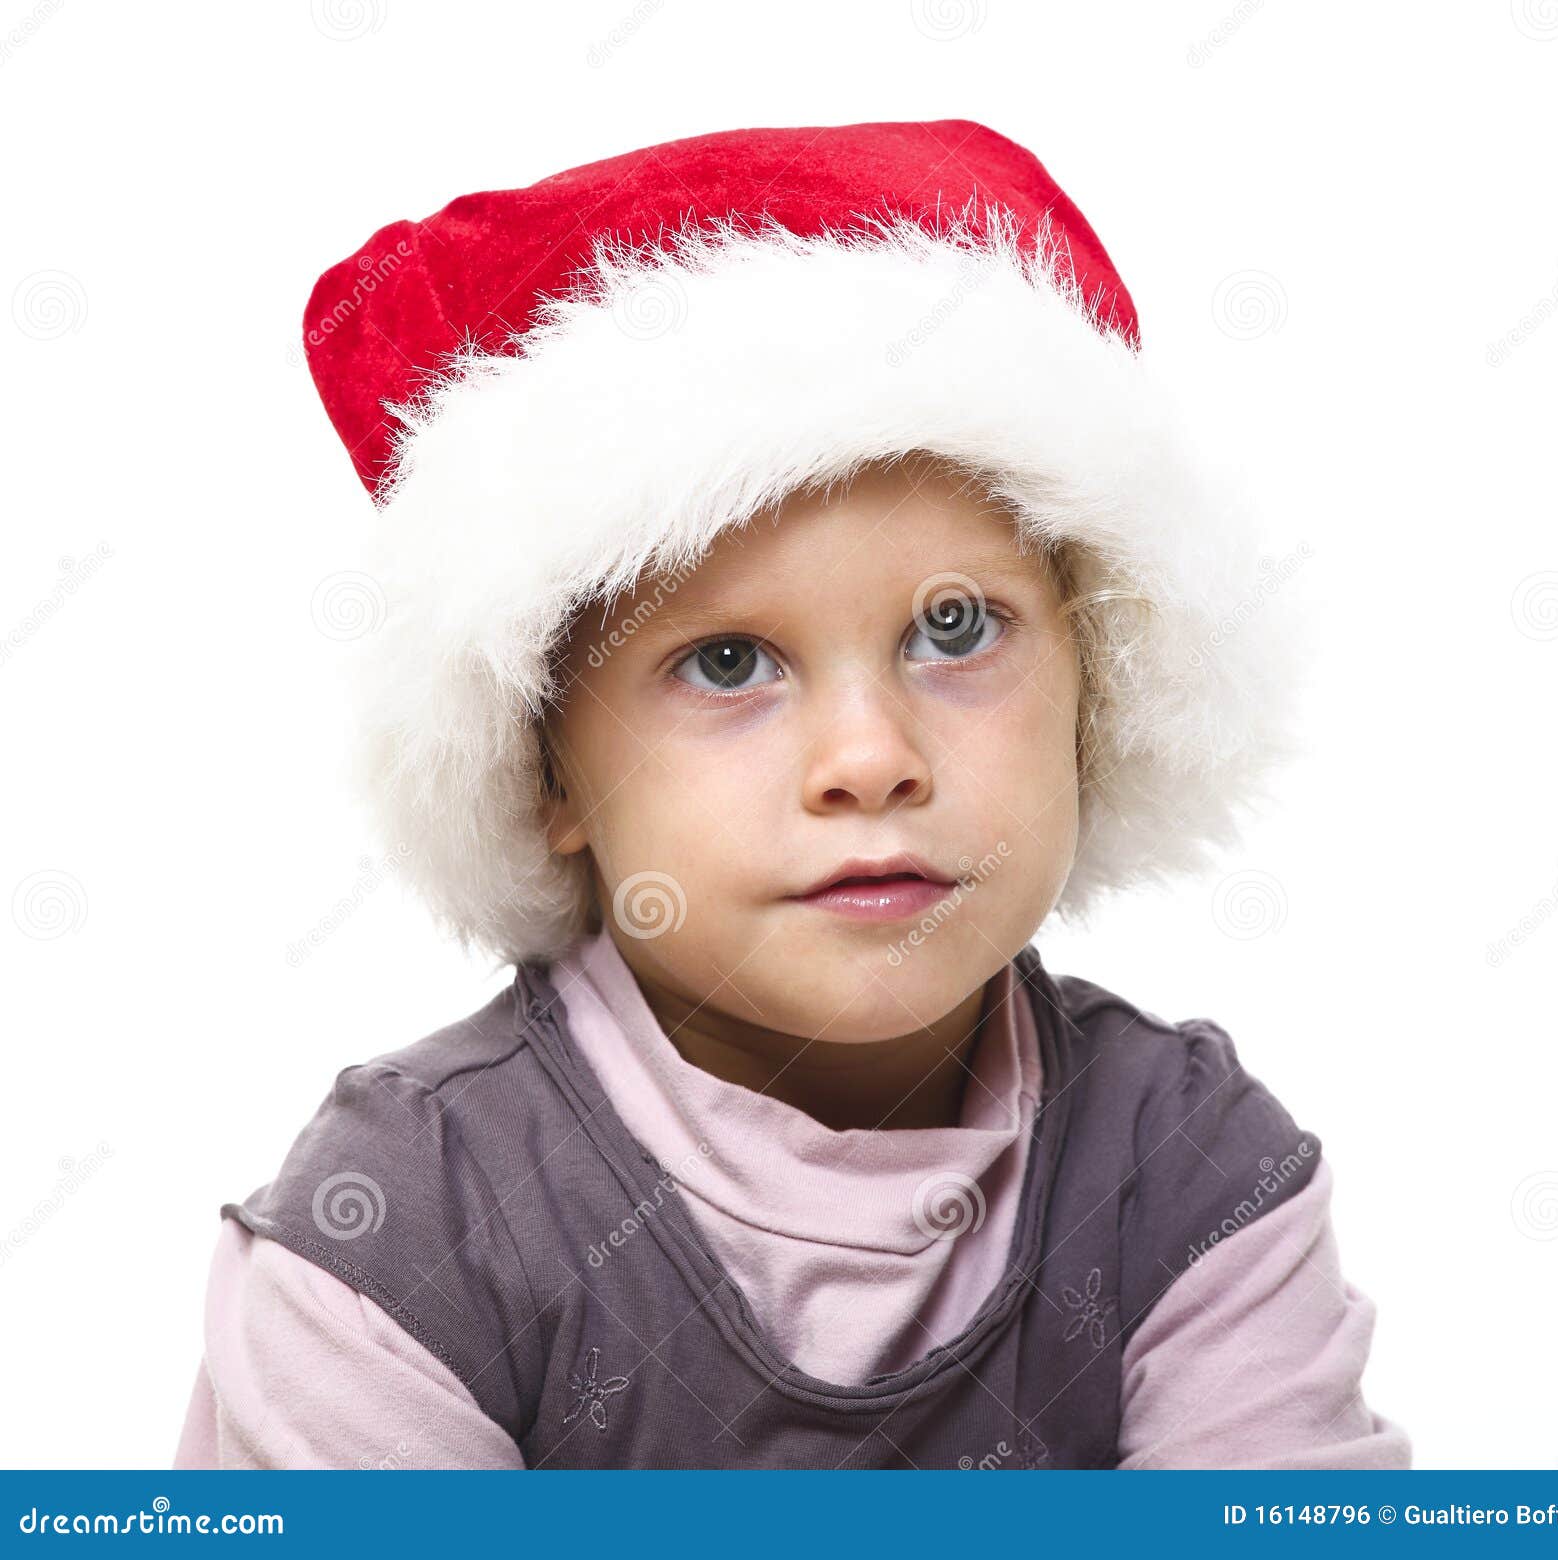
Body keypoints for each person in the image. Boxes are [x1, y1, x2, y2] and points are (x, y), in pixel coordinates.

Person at [174, 119, 1410, 1470]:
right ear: (544, 773)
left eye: (955, 630)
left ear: (1098, 685)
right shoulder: (409, 1230)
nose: (870, 757)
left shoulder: (1190, 1177)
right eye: (725, 662)